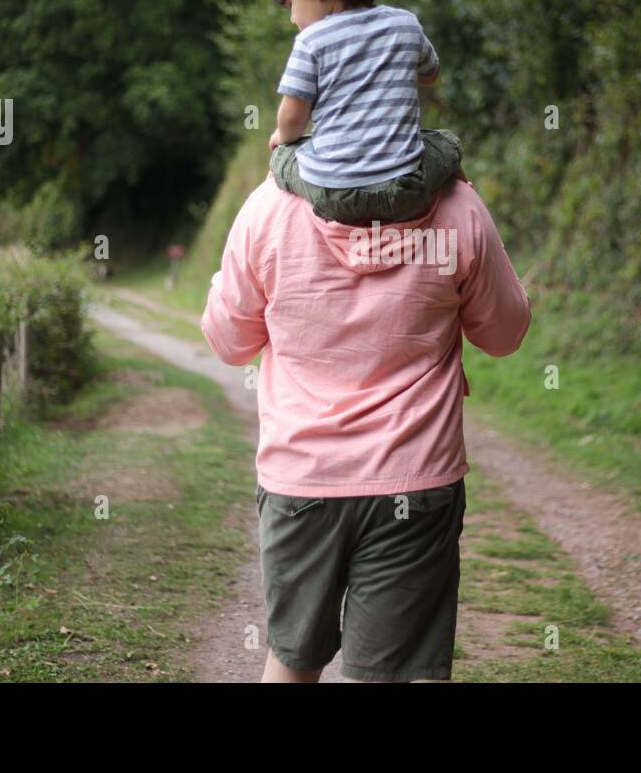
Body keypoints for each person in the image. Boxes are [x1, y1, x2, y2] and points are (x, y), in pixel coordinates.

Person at [200, 164, 531, 682]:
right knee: (390, 673)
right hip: (415, 478)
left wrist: (225, 281)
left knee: (291, 663)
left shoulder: (268, 207)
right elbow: (505, 334)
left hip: (301, 480)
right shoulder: (458, 207)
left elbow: (229, 342)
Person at [265, 0, 463, 226]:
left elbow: (292, 121)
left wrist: (281, 137)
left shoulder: (310, 41)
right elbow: (430, 74)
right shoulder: (405, 23)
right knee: (445, 142)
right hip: (406, 190)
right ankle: (465, 192)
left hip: (334, 195)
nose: (292, 18)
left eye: (291, 3)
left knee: (283, 155)